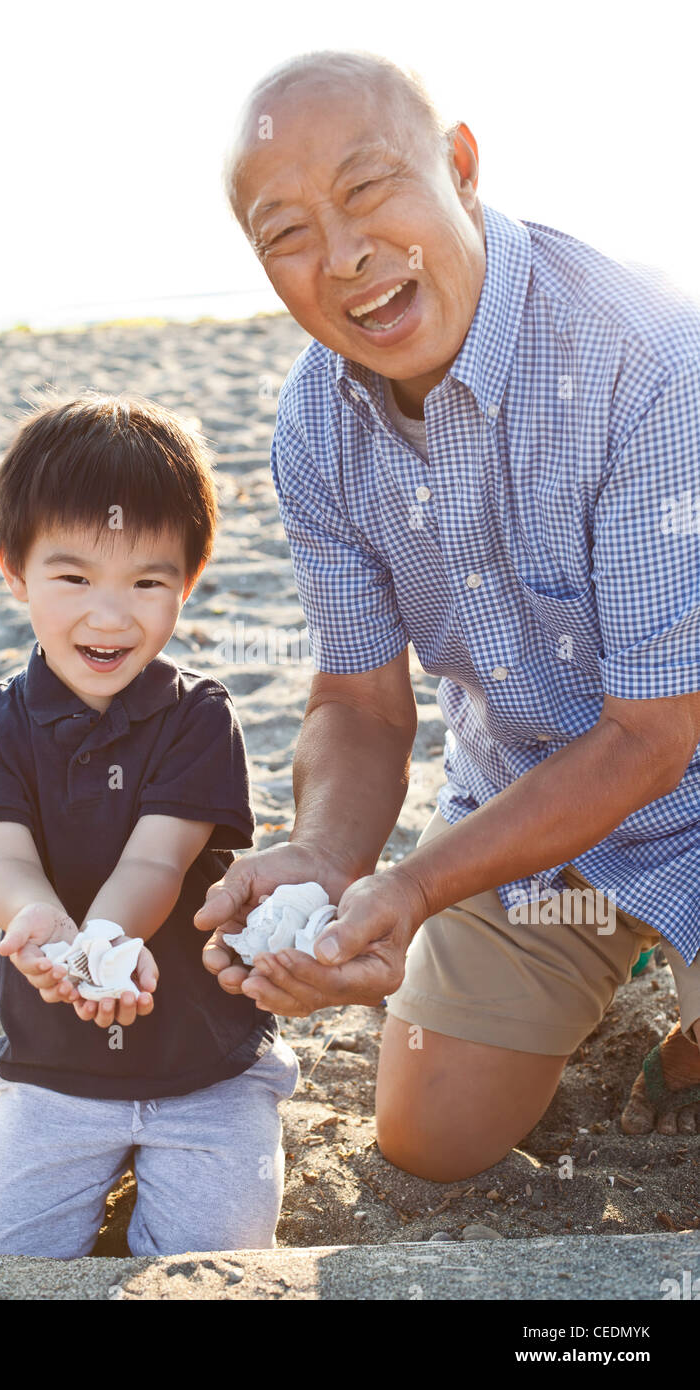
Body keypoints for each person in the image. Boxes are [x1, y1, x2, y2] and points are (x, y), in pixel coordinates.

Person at [194, 50, 700, 1180]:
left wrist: (415, 885)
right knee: (428, 1141)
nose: (342, 256)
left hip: (685, 783)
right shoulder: (313, 425)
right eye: (286, 233)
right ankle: (605, 955)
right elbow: (360, 701)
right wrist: (328, 857)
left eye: (368, 188)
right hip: (520, 816)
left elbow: (654, 737)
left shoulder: (650, 357)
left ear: (459, 165)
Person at [0, 392, 299, 1257]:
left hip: (206, 1069)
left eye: (148, 582)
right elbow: (4, 859)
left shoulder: (198, 717)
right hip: (53, 1073)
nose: (110, 616)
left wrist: (105, 937)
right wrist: (44, 926)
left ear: (190, 581)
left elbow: (156, 861)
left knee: (215, 1260)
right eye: (73, 578)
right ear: (13, 568)